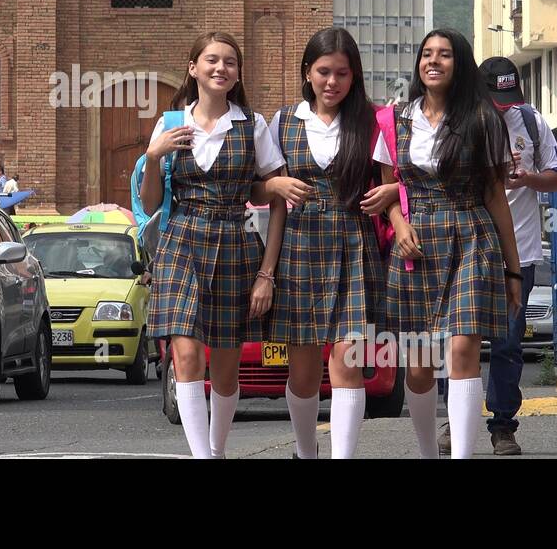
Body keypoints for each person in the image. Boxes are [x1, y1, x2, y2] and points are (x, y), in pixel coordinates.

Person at [254, 27, 401, 459]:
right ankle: (306, 451)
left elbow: (396, 186)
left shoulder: (372, 124)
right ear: (307, 72)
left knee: (347, 366)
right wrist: (275, 184)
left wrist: (391, 194)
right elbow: (263, 195)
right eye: (323, 72)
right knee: (302, 373)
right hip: (298, 250)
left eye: (342, 73)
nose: (332, 82)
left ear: (353, 76)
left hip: (354, 248)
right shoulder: (282, 122)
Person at [142, 31, 287, 459]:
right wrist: (154, 156)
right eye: (211, 60)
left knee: (225, 370)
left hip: (235, 245)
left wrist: (267, 274)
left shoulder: (251, 124)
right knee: (186, 356)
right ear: (193, 68)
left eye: (229, 62)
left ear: (237, 73)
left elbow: (271, 198)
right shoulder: (171, 124)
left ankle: (217, 449)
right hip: (182, 241)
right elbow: (151, 203)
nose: (221, 68)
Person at [380, 29, 523, 459]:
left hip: (470, 235)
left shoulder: (483, 119)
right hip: (416, 243)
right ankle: (428, 450)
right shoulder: (396, 119)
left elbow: (496, 196)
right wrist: (398, 224)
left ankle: (461, 454)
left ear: (459, 64)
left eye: (444, 55)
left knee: (462, 349)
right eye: (427, 54)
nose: (434, 62)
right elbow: (389, 187)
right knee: (420, 366)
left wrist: (513, 270)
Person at [438, 56, 557, 457]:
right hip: (466, 251)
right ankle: (456, 421)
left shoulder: (531, 122)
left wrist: (526, 177)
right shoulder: (457, 123)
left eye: (509, 98)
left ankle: (503, 426)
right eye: (496, 99)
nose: (503, 107)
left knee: (508, 345)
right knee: (458, 344)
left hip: (520, 255)